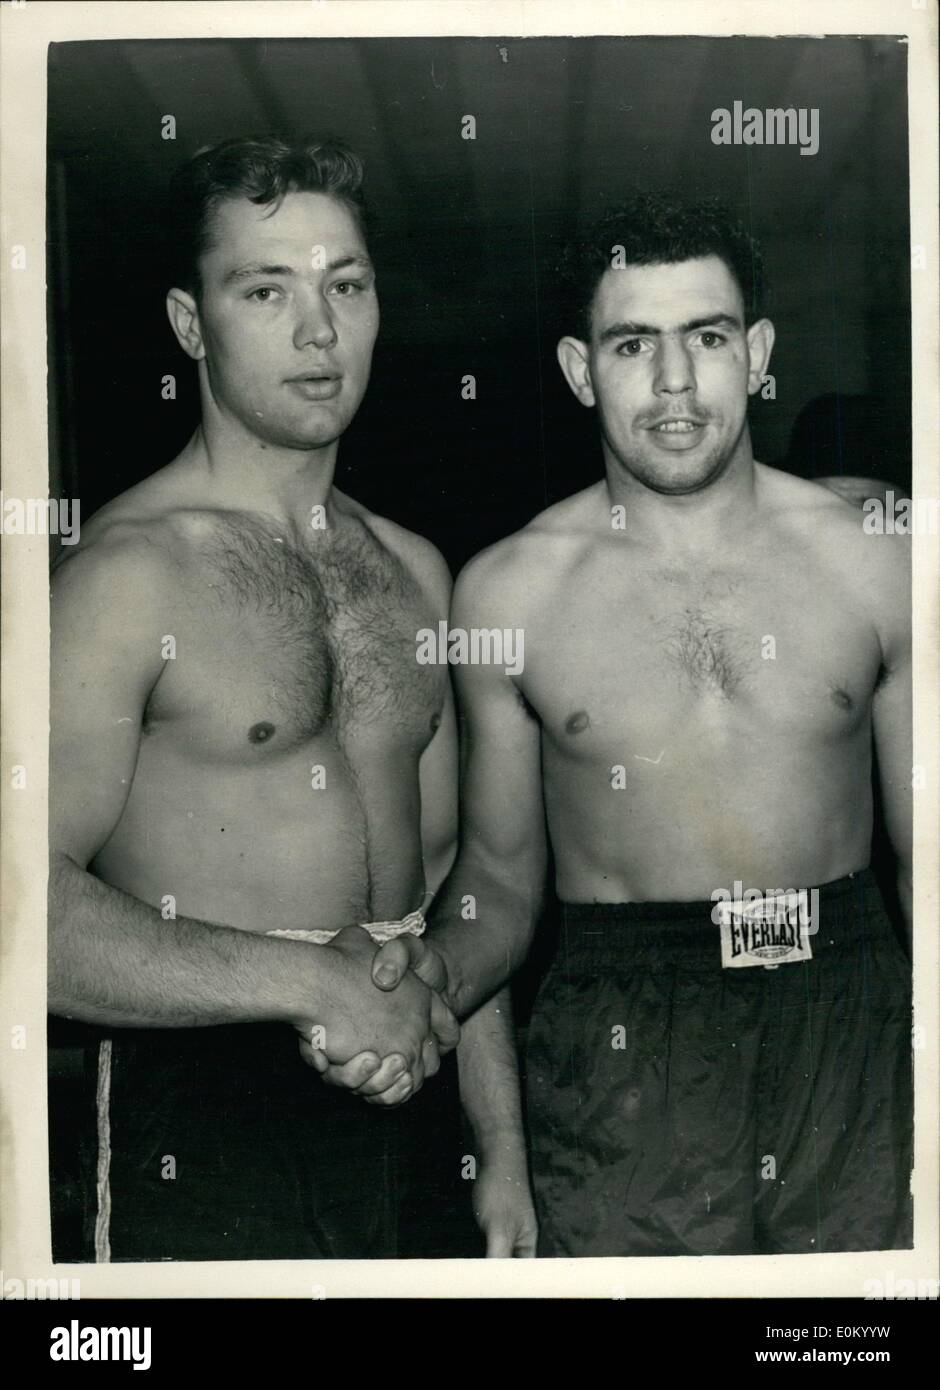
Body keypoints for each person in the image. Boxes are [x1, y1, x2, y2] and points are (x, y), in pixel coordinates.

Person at [336, 192, 914, 1258]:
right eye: (633, 344)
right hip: (622, 1036)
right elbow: (498, 882)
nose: (676, 383)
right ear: (577, 368)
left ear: (758, 353)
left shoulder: (875, 559)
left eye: (707, 337)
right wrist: (423, 991)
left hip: (851, 1004)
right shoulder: (508, 594)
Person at [48, 134, 494, 1261]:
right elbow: (19, 913)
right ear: (191, 326)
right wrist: (310, 984)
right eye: (267, 288)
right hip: (202, 1111)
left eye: (345, 285)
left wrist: (501, 1151)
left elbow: (447, 883)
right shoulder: (124, 572)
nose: (318, 329)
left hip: (413, 1083)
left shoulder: (417, 571)